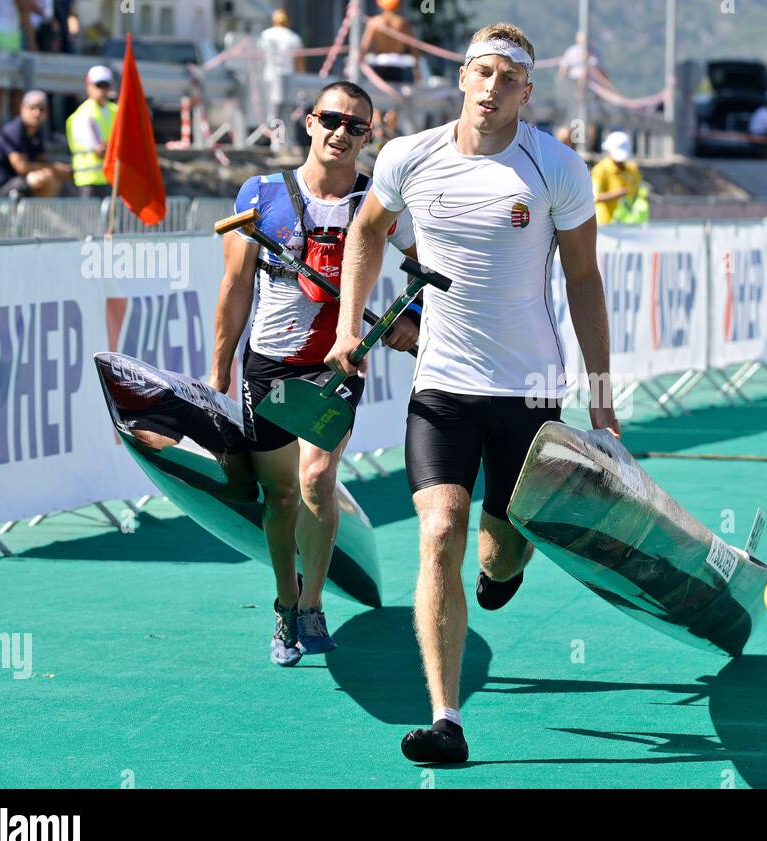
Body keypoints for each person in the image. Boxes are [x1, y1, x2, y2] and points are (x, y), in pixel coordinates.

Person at [329, 22, 619, 763]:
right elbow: (367, 233)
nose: (491, 89)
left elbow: (583, 282)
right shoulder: (408, 156)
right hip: (443, 384)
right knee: (437, 532)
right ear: (462, 77)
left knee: (499, 552)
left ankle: (503, 570)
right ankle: (446, 718)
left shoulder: (554, 168)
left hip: (527, 391)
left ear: (527, 91)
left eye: (508, 78)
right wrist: (344, 329)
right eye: (480, 73)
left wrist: (604, 400)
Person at [207, 81, 419, 668]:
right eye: (331, 119)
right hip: (268, 364)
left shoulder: (377, 202)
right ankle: (284, 603)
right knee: (279, 495)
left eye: (356, 126)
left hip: (336, 365)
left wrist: (411, 317)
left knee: (317, 478)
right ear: (309, 122)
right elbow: (234, 287)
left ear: (368, 137)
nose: (341, 133)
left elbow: (425, 263)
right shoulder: (262, 194)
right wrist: (219, 369)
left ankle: (314, 604)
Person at [0, 90, 70, 196]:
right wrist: (53, 168)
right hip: (1, 187)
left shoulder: (38, 132)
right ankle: (38, 211)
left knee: (54, 176)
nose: (36, 113)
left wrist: (58, 169)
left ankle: (38, 211)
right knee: (42, 178)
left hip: (20, 182)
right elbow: (21, 167)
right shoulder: (13, 130)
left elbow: (42, 161)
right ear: (22, 108)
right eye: (32, 108)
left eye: (41, 109)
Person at [65, 64, 116, 198]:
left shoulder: (115, 111)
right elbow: (99, 151)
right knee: (91, 219)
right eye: (98, 85)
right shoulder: (83, 115)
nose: (103, 90)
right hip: (89, 179)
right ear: (88, 86)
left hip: (111, 178)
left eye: (106, 85)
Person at [257, 8, 305, 143]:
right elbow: (299, 60)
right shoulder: (293, 37)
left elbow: (260, 57)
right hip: (288, 76)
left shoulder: (265, 35)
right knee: (288, 110)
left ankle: (276, 141)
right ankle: (287, 140)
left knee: (272, 110)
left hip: (270, 76)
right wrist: (300, 77)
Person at [359, 0, 422, 86]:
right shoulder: (402, 23)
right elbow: (414, 47)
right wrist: (417, 69)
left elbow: (365, 46)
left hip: (380, 64)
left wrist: (359, 65)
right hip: (399, 66)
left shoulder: (374, 22)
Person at [592, 130, 643, 224]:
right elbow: (594, 197)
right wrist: (617, 194)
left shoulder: (633, 169)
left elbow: (638, 192)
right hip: (605, 224)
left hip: (628, 222)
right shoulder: (600, 170)